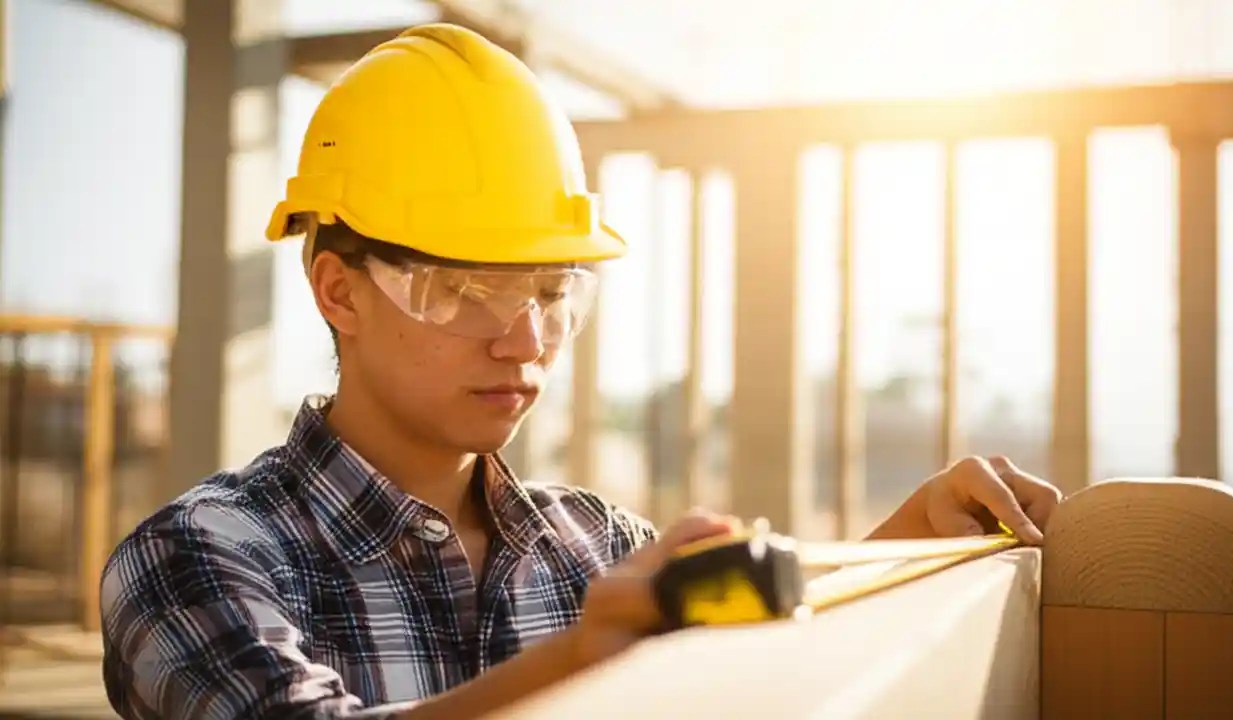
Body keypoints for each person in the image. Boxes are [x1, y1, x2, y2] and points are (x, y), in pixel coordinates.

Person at [99, 24, 1063, 720]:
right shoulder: (201, 556)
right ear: (338, 292)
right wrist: (585, 660)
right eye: (459, 289)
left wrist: (909, 545)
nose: (523, 342)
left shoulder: (593, 547)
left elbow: (762, 678)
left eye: (551, 292)